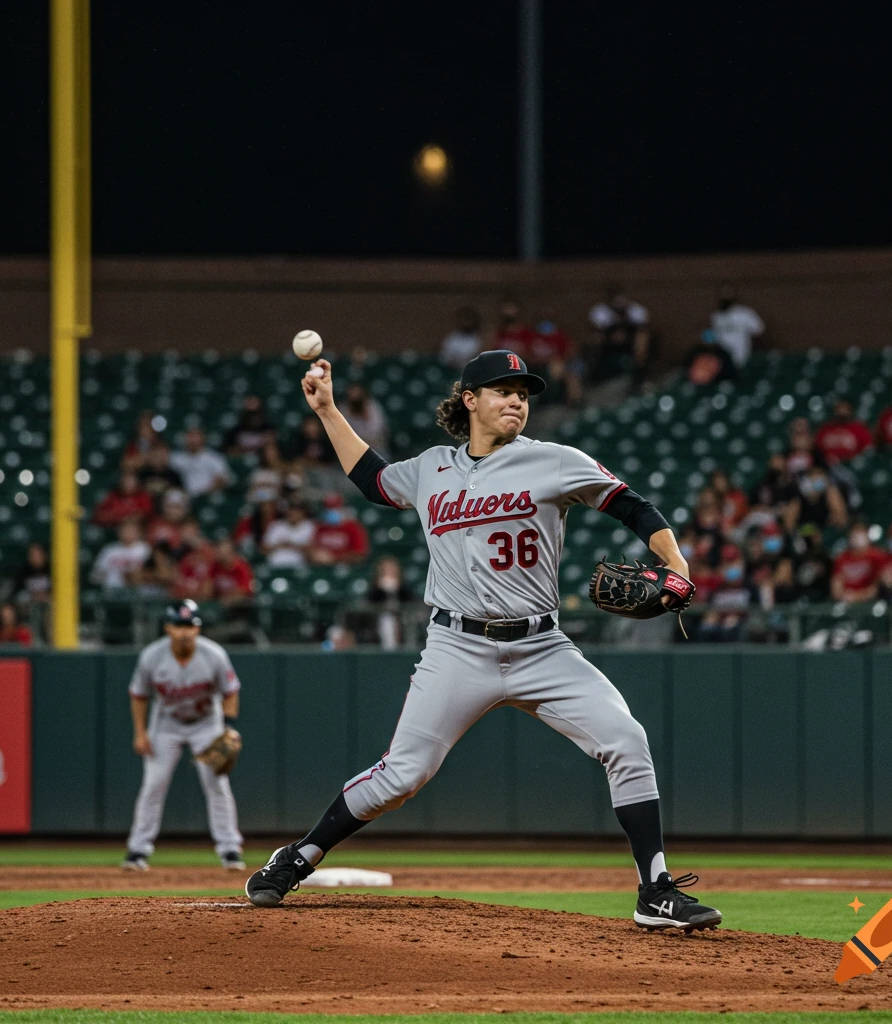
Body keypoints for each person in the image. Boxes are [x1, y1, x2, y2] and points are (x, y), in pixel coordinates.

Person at [245, 349, 721, 934]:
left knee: (626, 740)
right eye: (502, 389)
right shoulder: (430, 468)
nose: (517, 399)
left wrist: (675, 562)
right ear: (469, 400)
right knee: (403, 775)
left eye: (523, 391)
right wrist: (328, 412)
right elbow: (373, 480)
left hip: (542, 647)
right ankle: (299, 857)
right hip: (457, 647)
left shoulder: (553, 461)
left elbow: (631, 506)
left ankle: (656, 890)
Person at [122, 600, 244, 871]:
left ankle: (230, 849)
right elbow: (139, 696)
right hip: (166, 723)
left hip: (206, 723)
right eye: (179, 625)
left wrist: (228, 727)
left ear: (198, 629)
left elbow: (230, 691)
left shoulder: (214, 654)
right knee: (154, 784)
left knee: (216, 784)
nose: (185, 631)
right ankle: (138, 850)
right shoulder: (152, 656)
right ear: (168, 628)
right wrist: (140, 733)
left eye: (190, 625)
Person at [587, 287, 651, 383]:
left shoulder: (635, 310)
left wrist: (625, 319)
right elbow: (595, 329)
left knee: (642, 337)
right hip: (607, 343)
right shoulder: (601, 311)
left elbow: (643, 327)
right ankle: (595, 371)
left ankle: (639, 372)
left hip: (630, 342)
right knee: (595, 338)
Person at [709, 282, 764, 368]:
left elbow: (759, 330)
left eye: (728, 293)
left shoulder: (744, 313)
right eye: (722, 293)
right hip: (723, 360)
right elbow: (713, 337)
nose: (725, 296)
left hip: (743, 356)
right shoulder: (716, 316)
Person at [831, 522, 889, 603]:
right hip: (846, 601)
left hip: (871, 601)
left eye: (860, 535)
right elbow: (836, 587)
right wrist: (844, 596)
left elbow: (881, 584)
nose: (857, 539)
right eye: (854, 536)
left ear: (867, 536)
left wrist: (858, 596)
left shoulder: (877, 556)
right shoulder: (842, 559)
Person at [308, 494, 370, 565]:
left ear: (343, 509)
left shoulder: (354, 528)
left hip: (347, 567)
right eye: (328, 509)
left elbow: (360, 555)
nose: (331, 512)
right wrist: (314, 554)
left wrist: (333, 558)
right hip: (321, 567)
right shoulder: (320, 528)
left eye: (335, 509)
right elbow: (312, 549)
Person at [169, 427, 231, 499]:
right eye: (190, 436)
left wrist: (205, 491)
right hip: (183, 497)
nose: (193, 440)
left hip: (207, 496)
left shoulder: (214, 458)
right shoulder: (176, 458)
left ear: (203, 438)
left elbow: (223, 480)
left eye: (196, 436)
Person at [90, 520, 152, 590]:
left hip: (138, 592)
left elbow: (152, 574)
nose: (128, 533)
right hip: (112, 591)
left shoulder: (146, 549)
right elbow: (95, 576)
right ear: (119, 532)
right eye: (125, 530)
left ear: (139, 533)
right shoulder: (110, 550)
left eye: (131, 530)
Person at [262, 497, 316, 568]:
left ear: (303, 512)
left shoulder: (311, 527)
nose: (292, 512)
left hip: (300, 568)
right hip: (274, 567)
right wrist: (280, 545)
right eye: (290, 509)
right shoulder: (277, 525)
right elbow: (263, 548)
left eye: (296, 510)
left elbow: (313, 550)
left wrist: (291, 545)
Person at [340, 384, 390, 454]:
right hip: (353, 450)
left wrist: (365, 417)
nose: (355, 397)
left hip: (376, 448)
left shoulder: (373, 407)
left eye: (358, 396)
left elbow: (378, 434)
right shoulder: (344, 410)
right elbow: (343, 436)